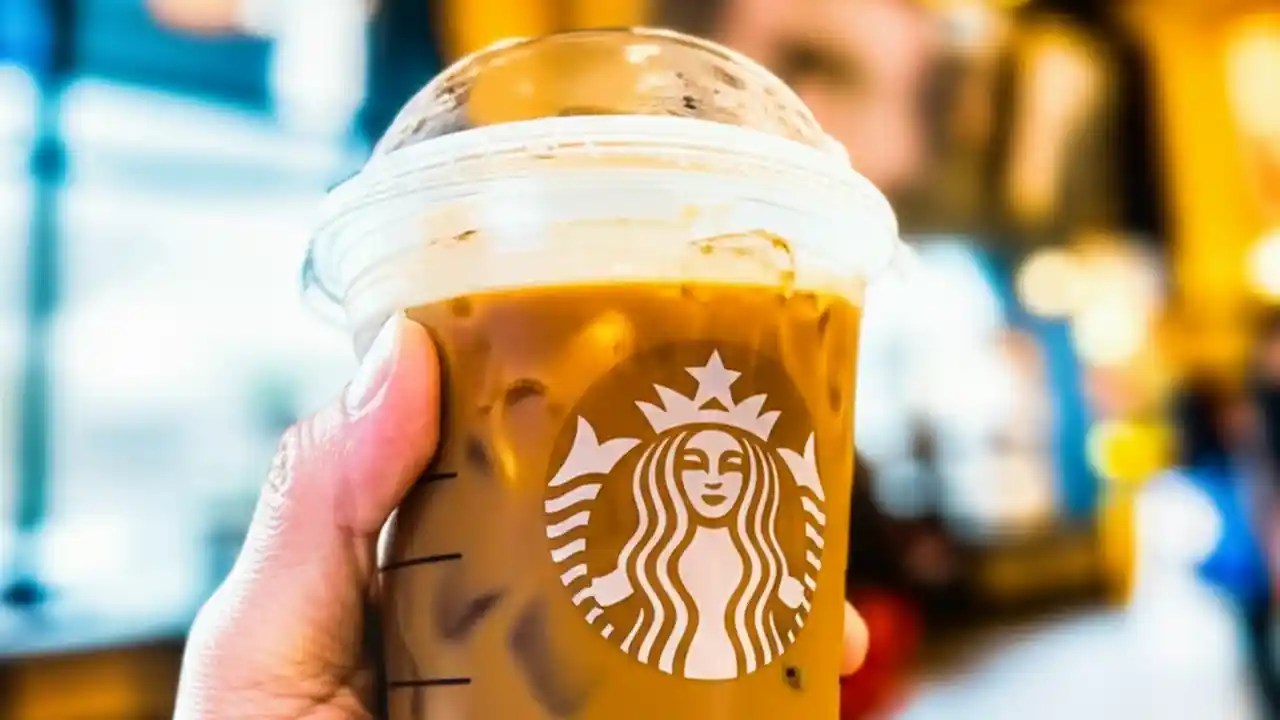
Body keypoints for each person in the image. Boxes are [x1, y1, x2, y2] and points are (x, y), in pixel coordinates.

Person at [173, 316, 869, 718]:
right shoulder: (629, 581)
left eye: (733, 468)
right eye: (693, 464)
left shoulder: (761, 587)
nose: (714, 482)